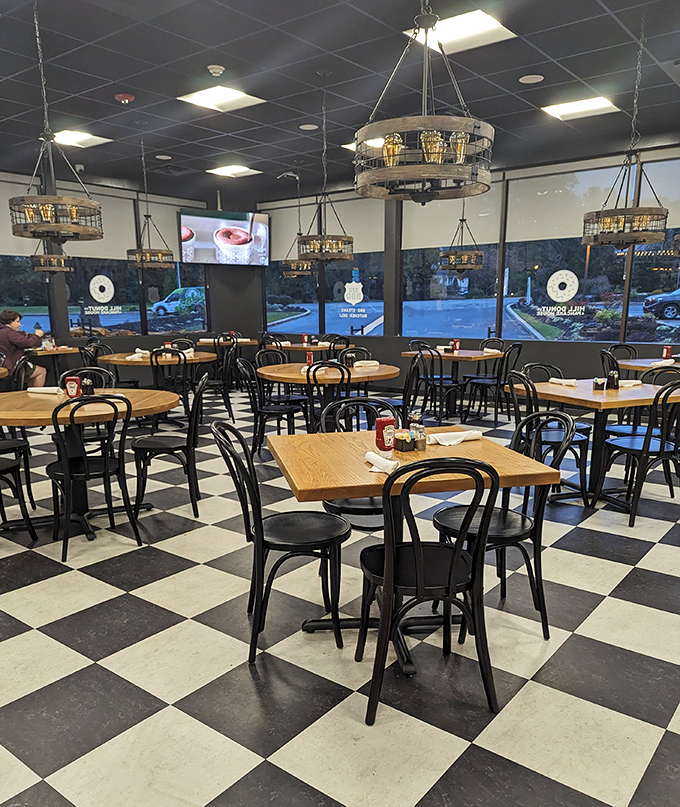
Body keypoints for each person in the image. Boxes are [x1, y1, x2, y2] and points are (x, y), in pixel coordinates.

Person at [0, 309, 47, 387]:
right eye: (17, 322)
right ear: (10, 322)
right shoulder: (10, 333)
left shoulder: (2, 332)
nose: (19, 324)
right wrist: (37, 335)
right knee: (42, 371)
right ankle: (34, 394)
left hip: (3, 366)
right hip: (12, 368)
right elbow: (27, 343)